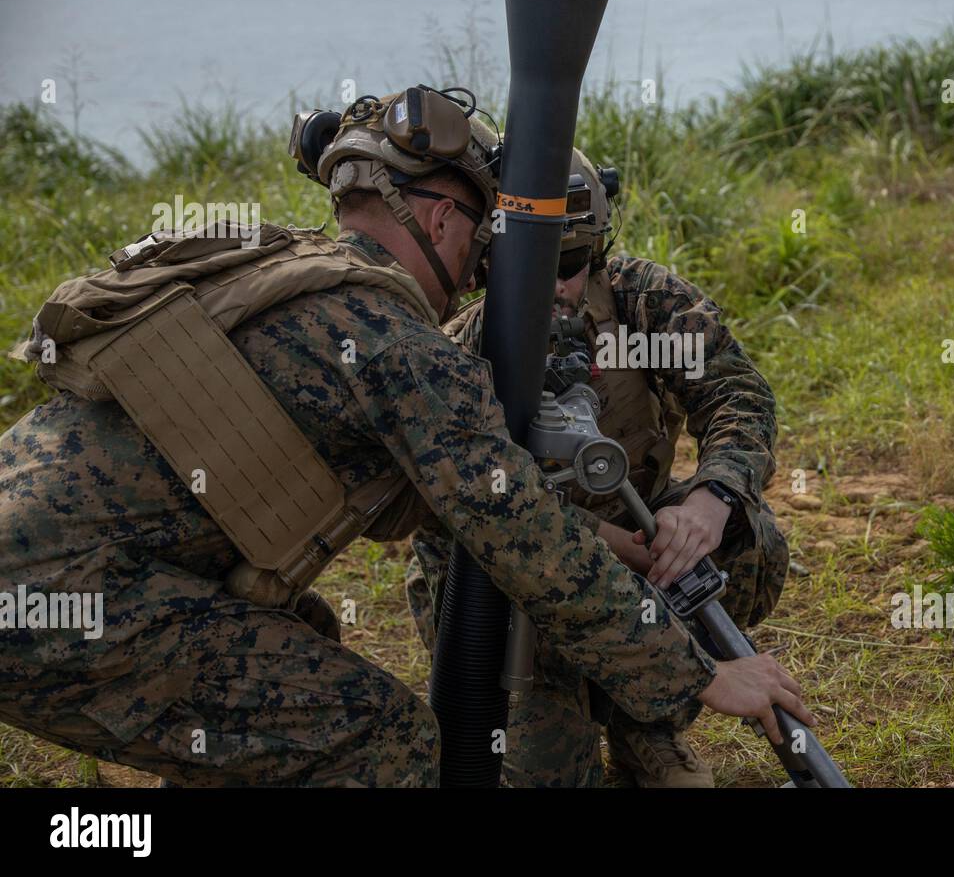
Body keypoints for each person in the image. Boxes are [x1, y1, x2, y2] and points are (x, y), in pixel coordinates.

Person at [0, 87, 810, 786]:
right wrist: (702, 676)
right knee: (388, 745)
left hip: (58, 573)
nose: (482, 268)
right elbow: (518, 536)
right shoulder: (401, 341)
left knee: (302, 641)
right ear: (437, 215)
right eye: (486, 238)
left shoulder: (282, 273)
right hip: (64, 600)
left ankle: (641, 727)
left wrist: (681, 512)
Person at [406, 147, 790, 787]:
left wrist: (711, 500)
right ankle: (576, 709)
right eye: (533, 268)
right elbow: (479, 520)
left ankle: (648, 728)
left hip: (639, 532)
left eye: (573, 265)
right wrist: (616, 550)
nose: (556, 288)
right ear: (487, 266)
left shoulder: (643, 303)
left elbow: (737, 396)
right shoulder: (454, 352)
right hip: (510, 582)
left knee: (750, 539)